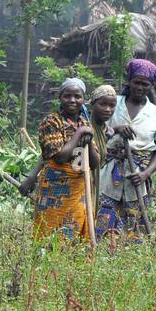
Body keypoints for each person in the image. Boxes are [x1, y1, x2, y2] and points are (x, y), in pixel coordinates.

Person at [96, 57, 156, 240]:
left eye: (145, 84)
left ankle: (132, 252)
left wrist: (146, 174)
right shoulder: (112, 104)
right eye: (136, 82)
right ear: (129, 80)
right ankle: (103, 247)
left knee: (136, 219)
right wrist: (116, 130)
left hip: (138, 173)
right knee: (104, 214)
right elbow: (96, 131)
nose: (140, 87)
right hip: (108, 170)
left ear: (151, 85)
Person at [33, 78, 100, 242]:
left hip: (78, 188)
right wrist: (79, 134)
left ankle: (74, 265)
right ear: (60, 98)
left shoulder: (84, 122)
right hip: (54, 189)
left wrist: (89, 140)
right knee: (49, 232)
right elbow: (60, 156)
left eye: (77, 96)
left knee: (75, 234)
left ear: (83, 99)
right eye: (67, 96)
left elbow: (95, 163)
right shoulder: (51, 121)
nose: (72, 100)